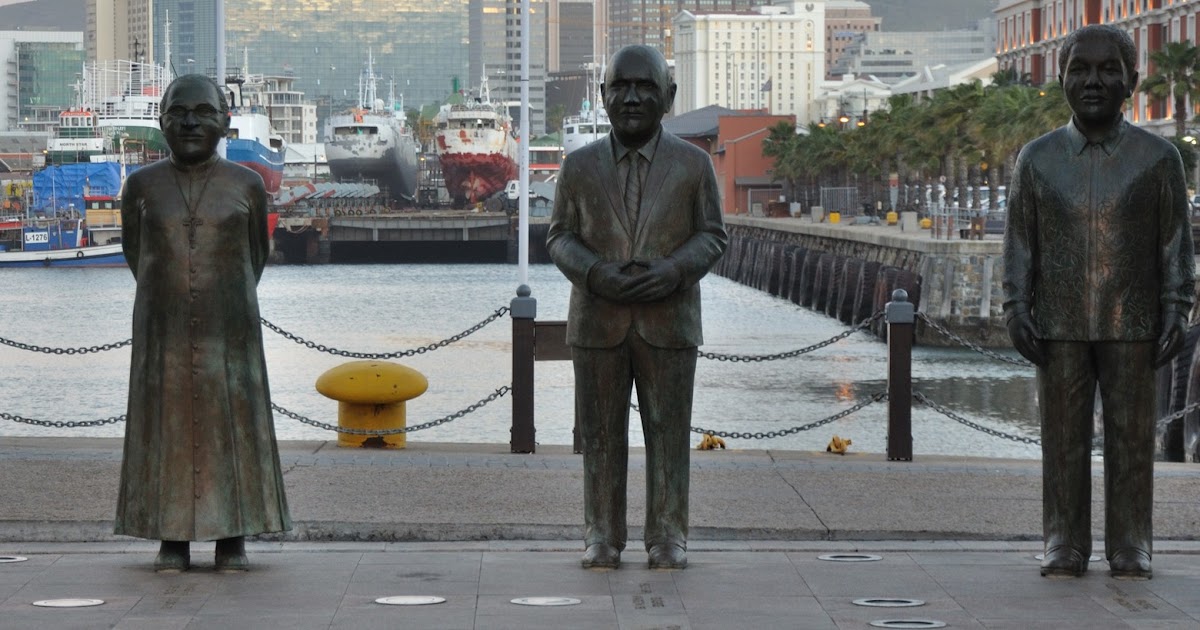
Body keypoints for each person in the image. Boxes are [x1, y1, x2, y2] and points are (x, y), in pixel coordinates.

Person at [1003, 24, 1195, 580]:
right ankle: (1063, 539)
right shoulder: (1036, 160)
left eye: (1108, 69)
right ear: (1061, 78)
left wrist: (1177, 308)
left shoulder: (1158, 158)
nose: (1093, 81)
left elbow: (1175, 244)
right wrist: (1016, 307)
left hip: (1132, 320)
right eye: (1079, 69)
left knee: (1133, 437)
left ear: (1132, 80)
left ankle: (1131, 543)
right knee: (1061, 437)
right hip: (1058, 321)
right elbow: (1018, 242)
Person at [547, 45, 728, 571]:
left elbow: (713, 236)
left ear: (668, 97)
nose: (631, 97)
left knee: (668, 431)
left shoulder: (693, 165)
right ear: (603, 95)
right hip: (597, 319)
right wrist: (594, 272)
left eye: (645, 87)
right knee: (600, 434)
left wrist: (673, 270)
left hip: (669, 320)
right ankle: (601, 534)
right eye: (619, 86)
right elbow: (559, 236)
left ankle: (668, 535)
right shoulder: (577, 166)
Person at [117, 74, 291, 572]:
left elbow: (254, 256)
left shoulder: (247, 185)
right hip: (162, 327)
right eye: (178, 112)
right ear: (161, 121)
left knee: (235, 426)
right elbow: (138, 254)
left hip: (229, 327)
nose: (190, 121)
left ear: (226, 121)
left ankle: (232, 536)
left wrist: (225, 299)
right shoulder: (142, 185)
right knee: (163, 425)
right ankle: (171, 537)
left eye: (203, 111)